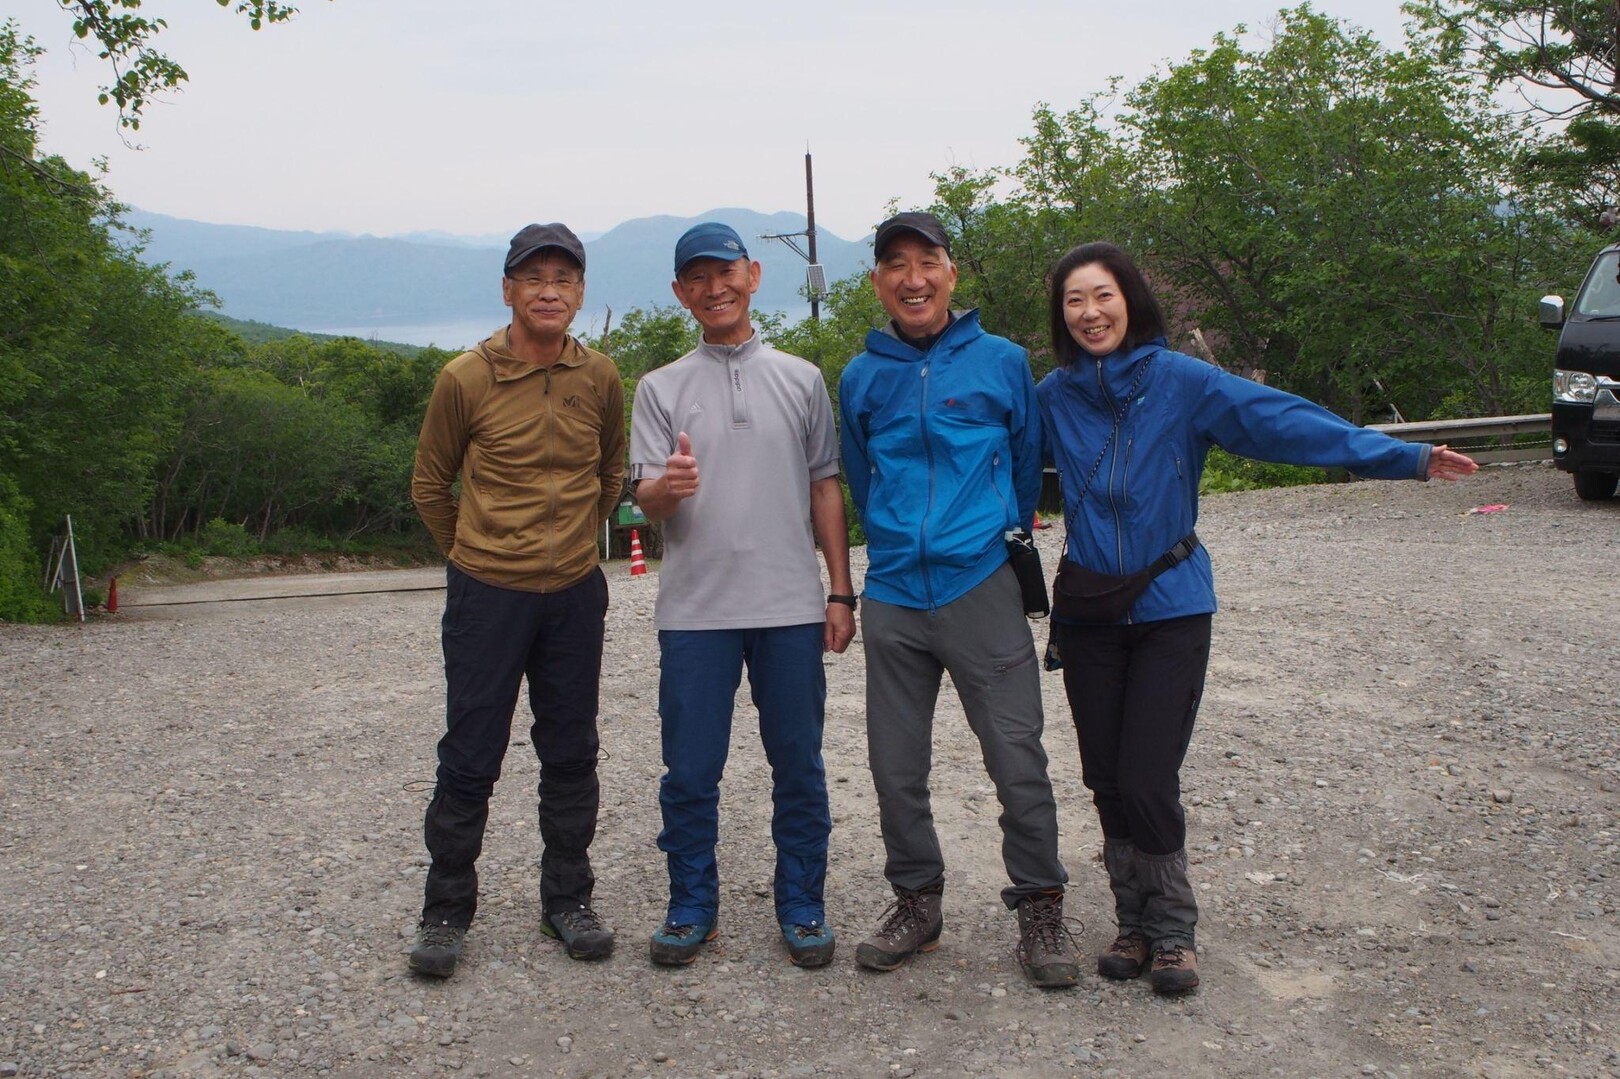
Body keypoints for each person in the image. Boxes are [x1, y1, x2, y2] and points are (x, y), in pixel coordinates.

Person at [1037, 241, 1479, 994]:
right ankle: (1132, 923)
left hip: (1172, 606)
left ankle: (1173, 930)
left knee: (1146, 776)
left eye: (1103, 295)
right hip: (1089, 613)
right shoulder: (1052, 396)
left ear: (1131, 299)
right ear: (1061, 315)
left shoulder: (1181, 381)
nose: (1091, 312)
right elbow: (989, 459)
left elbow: (1282, 422)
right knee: (1106, 777)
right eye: (1074, 300)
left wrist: (1399, 457)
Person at [839, 212, 1079, 988]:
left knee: (1016, 754)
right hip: (894, 592)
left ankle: (1040, 905)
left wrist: (983, 537)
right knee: (894, 763)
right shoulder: (860, 376)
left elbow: (1025, 467)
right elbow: (862, 479)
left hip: (982, 582)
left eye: (927, 262)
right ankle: (917, 901)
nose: (912, 278)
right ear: (878, 281)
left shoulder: (1002, 361)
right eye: (895, 264)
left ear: (951, 273)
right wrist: (895, 545)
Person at [629, 222, 856, 968]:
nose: (714, 288)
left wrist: (840, 591)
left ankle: (803, 903)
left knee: (800, 766)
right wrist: (667, 488)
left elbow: (825, 485)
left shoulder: (801, 378)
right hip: (695, 613)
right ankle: (691, 906)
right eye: (696, 278)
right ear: (680, 293)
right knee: (690, 772)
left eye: (725, 272)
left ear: (753, 275)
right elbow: (646, 501)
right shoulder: (659, 387)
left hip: (790, 606)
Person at [407, 223, 625, 978]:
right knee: (471, 752)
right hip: (488, 592)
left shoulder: (600, 376)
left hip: (573, 592)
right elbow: (430, 484)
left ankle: (568, 899)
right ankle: (445, 910)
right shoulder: (465, 377)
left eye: (563, 279)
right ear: (508, 289)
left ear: (580, 293)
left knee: (571, 749)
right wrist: (476, 552)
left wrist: (573, 543)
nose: (549, 291)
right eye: (534, 278)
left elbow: (609, 473)